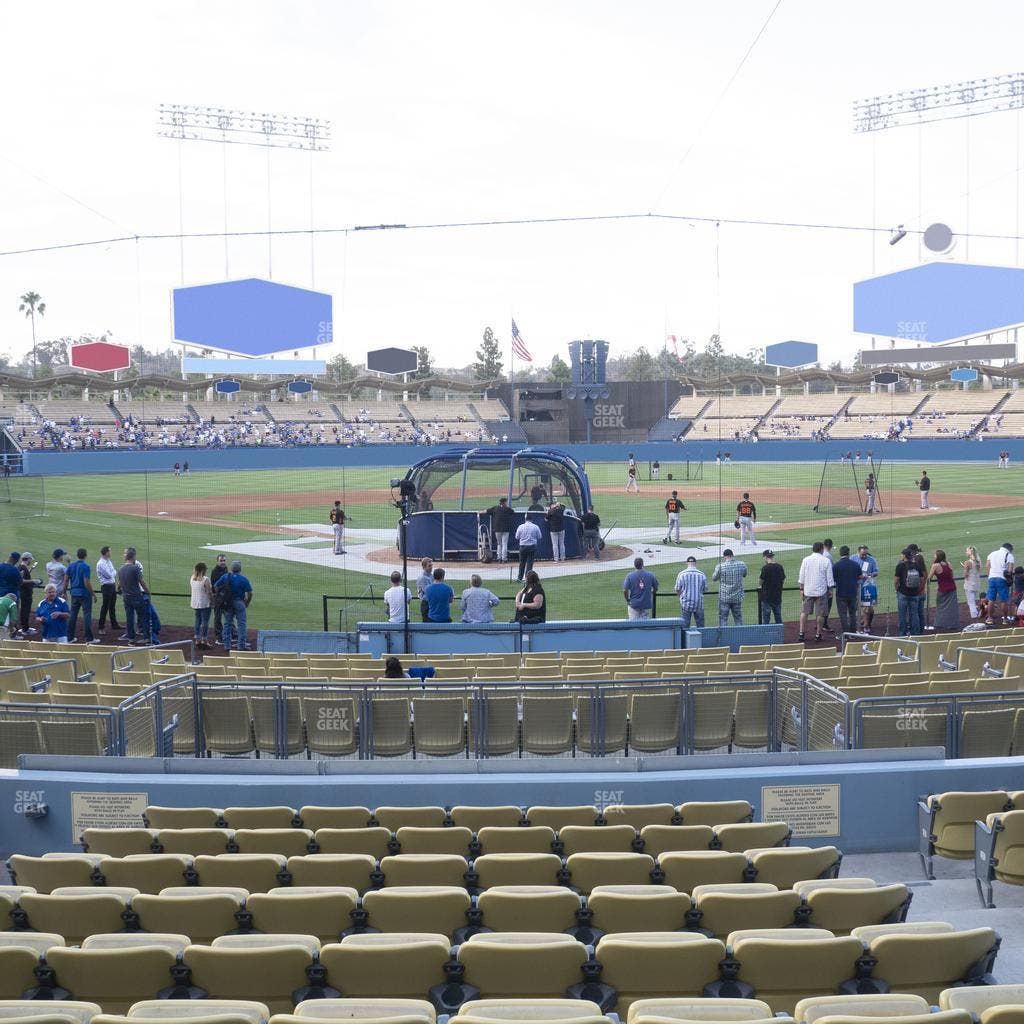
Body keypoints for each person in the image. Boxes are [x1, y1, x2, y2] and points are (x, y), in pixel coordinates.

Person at [798, 541, 835, 642]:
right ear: (822, 549)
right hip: (821, 591)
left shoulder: (806, 560)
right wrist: (830, 589)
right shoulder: (826, 561)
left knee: (804, 612)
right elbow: (830, 578)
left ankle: (801, 633)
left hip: (808, 590)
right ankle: (818, 634)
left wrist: (801, 589)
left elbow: (801, 576)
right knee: (820, 614)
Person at [215, 559, 253, 651]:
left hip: (227, 603)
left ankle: (227, 646)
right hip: (239, 602)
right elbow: (250, 593)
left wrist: (221, 596)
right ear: (240, 569)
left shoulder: (225, 576)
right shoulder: (243, 579)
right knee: (241, 624)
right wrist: (247, 602)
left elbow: (216, 586)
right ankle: (241, 646)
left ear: (231, 569)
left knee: (227, 623)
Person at [117, 547, 151, 645]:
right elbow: (142, 582)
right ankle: (147, 639)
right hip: (136, 597)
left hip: (126, 598)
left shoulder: (121, 569)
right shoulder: (135, 568)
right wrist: (148, 592)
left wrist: (118, 590)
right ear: (133, 556)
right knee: (143, 617)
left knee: (129, 618)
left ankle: (131, 640)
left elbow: (119, 584)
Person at [65, 548, 97, 644]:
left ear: (77, 555)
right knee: (87, 615)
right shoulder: (86, 566)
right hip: (84, 594)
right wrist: (93, 593)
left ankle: (69, 637)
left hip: (74, 593)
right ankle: (89, 638)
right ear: (85, 556)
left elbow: (66, 580)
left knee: (73, 615)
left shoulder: (71, 566)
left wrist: (64, 591)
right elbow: (86, 581)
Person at [894, 547, 925, 637]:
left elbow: (896, 580)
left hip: (903, 593)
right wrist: (918, 589)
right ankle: (915, 633)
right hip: (915, 593)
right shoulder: (917, 566)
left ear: (904, 556)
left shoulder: (900, 566)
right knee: (914, 614)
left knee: (902, 615)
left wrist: (897, 590)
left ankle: (902, 634)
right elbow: (922, 579)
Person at [832, 545, 862, 636]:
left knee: (843, 614)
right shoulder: (855, 564)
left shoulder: (836, 566)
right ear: (848, 553)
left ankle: (846, 633)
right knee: (852, 613)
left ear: (840, 553)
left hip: (841, 593)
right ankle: (853, 633)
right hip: (853, 593)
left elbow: (833, 579)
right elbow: (859, 576)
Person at [713, 549, 747, 626]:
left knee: (723, 618)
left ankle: (724, 633)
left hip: (724, 597)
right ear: (732, 555)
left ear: (724, 557)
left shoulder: (720, 566)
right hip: (737, 597)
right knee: (738, 618)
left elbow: (714, 578)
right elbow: (744, 574)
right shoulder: (742, 564)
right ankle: (740, 633)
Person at [929, 549, 959, 631]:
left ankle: (940, 624)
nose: (934, 556)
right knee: (952, 608)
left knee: (940, 607)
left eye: (935, 555)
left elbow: (929, 578)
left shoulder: (935, 565)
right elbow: (952, 575)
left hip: (942, 589)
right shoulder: (949, 564)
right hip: (952, 588)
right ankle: (952, 624)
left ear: (938, 556)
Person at [985, 542, 1014, 625]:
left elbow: (987, 566)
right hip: (1002, 579)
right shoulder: (1009, 555)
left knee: (991, 600)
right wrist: (1009, 578)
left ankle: (990, 618)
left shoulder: (992, 554)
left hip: (991, 578)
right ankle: (1005, 619)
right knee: (1004, 600)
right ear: (1009, 549)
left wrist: (989, 576)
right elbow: (1010, 569)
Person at [675, 556, 707, 628]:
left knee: (685, 626)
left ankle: (684, 636)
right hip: (699, 603)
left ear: (687, 563)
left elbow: (677, 589)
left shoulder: (681, 574)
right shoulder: (702, 574)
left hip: (685, 603)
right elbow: (705, 589)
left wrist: (680, 597)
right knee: (700, 626)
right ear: (695, 563)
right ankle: (701, 635)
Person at [96, 545, 120, 633]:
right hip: (106, 587)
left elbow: (114, 571)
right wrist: (113, 573)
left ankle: (114, 624)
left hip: (112, 585)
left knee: (112, 606)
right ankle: (101, 627)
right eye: (110, 551)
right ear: (106, 553)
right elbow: (109, 575)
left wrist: (113, 572)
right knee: (105, 607)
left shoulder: (108, 561)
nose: (111, 553)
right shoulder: (100, 563)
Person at [759, 549, 785, 624]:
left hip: (766, 596)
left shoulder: (765, 568)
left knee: (766, 617)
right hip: (777, 595)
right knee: (778, 616)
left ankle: (765, 631)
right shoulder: (780, 567)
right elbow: (783, 580)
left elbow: (760, 581)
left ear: (765, 557)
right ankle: (779, 630)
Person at [17, 553, 41, 637]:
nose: (31, 561)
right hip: (25, 593)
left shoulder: (21, 567)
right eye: (30, 559)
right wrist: (33, 581)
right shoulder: (22, 568)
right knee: (25, 610)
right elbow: (21, 581)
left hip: (24, 592)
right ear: (28, 559)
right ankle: (25, 629)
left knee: (24, 610)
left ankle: (25, 627)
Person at [210, 553, 231, 645]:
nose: (223, 562)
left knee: (228, 616)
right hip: (218, 598)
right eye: (221, 561)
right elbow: (214, 586)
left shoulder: (225, 569)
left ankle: (231, 635)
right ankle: (219, 638)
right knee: (218, 618)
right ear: (217, 561)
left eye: (224, 560)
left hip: (226, 597)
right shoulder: (215, 571)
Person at [190, 562, 213, 647]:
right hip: (205, 603)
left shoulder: (192, 578)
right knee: (205, 622)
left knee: (197, 621)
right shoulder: (205, 579)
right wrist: (212, 602)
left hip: (195, 603)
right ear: (203, 570)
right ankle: (204, 640)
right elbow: (209, 592)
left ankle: (197, 639)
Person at [484, 497, 514, 562]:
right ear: (504, 502)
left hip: (497, 529)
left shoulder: (495, 508)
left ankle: (499, 558)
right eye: (506, 502)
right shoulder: (507, 509)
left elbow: (487, 511)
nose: (507, 503)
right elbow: (512, 512)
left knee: (499, 544)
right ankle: (504, 558)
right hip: (506, 529)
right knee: (504, 544)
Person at [515, 516, 542, 582]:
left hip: (523, 546)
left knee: (522, 563)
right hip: (532, 546)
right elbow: (539, 536)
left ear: (525, 519)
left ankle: (519, 578)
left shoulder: (520, 526)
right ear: (532, 520)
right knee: (529, 563)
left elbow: (517, 537)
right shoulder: (535, 526)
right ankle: (528, 579)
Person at [962, 546, 982, 619]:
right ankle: (976, 614)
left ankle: (974, 617)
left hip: (969, 584)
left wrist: (965, 568)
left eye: (967, 551)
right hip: (976, 583)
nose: (966, 552)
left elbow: (965, 575)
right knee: (972, 601)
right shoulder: (978, 561)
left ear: (970, 553)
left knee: (971, 602)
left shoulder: (967, 562)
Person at [416, 557, 434, 623]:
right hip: (426, 603)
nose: (431, 567)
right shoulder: (422, 578)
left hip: (432, 603)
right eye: (429, 566)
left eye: (431, 565)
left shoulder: (432, 576)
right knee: (426, 624)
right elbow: (428, 592)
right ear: (424, 567)